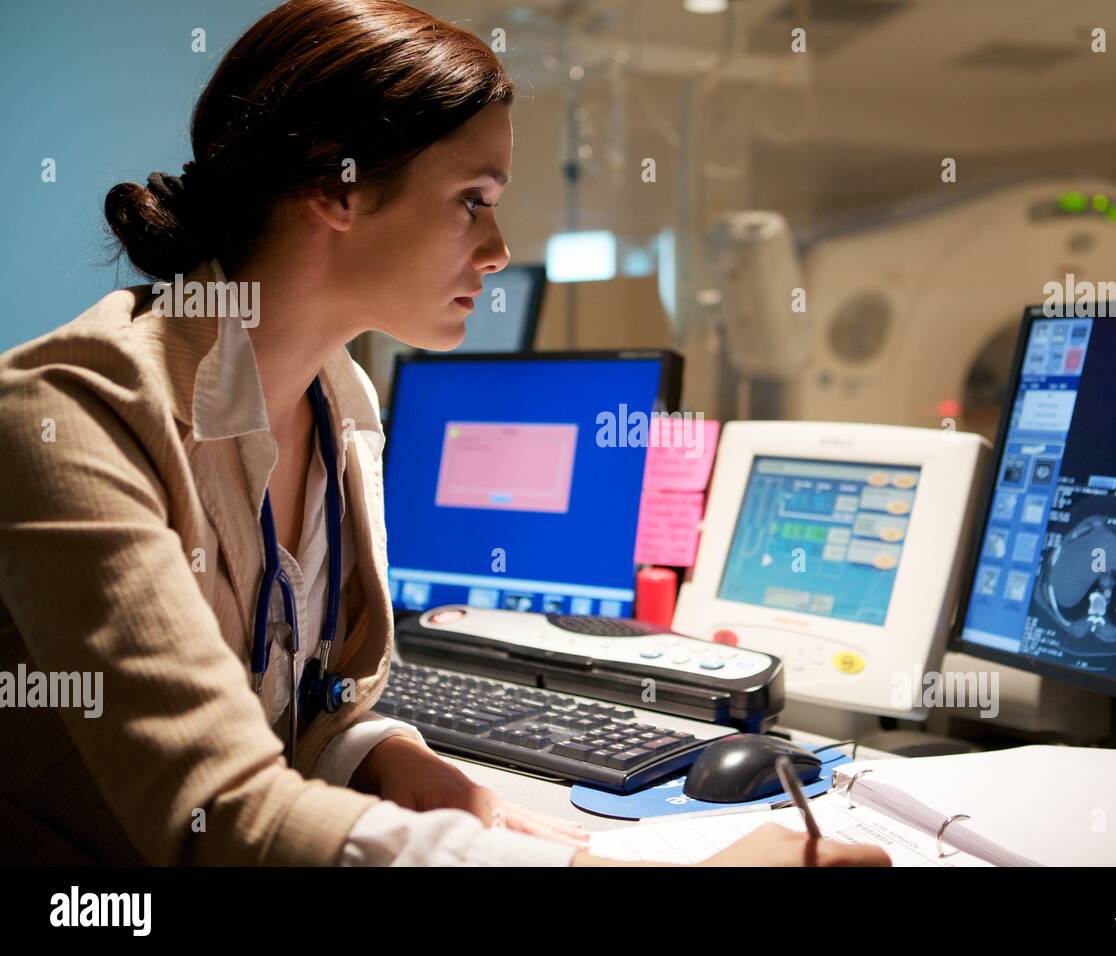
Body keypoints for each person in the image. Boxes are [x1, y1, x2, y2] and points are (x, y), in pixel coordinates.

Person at [0, 0, 889, 868]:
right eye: (473, 200)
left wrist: (378, 754)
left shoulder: (341, 404)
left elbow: (299, 704)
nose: (499, 248)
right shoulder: (73, 411)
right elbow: (219, 817)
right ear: (336, 185)